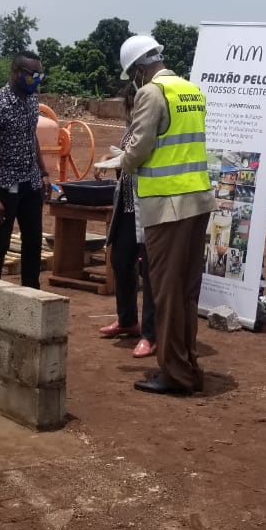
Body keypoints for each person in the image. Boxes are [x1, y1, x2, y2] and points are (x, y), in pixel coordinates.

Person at [98, 34, 213, 395]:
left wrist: (114, 160)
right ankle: (187, 365)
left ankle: (175, 374)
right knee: (185, 291)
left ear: (138, 69)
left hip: (168, 206)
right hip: (197, 202)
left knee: (164, 290)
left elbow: (140, 150)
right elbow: (170, 145)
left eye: (132, 73)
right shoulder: (190, 90)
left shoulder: (151, 93)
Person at [0, 52, 51, 289]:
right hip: (6, 185)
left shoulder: (31, 100)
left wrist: (44, 172)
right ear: (16, 72)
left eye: (40, 75)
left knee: (33, 243)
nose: (36, 80)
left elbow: (32, 137)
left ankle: (32, 296)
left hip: (31, 183)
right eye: (32, 75)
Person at [96, 84, 157, 359]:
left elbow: (146, 157)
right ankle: (127, 319)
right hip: (129, 202)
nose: (133, 107)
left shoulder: (156, 123)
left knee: (150, 270)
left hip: (150, 203)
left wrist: (121, 160)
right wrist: (110, 160)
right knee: (120, 259)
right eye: (130, 102)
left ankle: (150, 334)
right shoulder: (130, 125)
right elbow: (128, 157)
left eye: (136, 101)